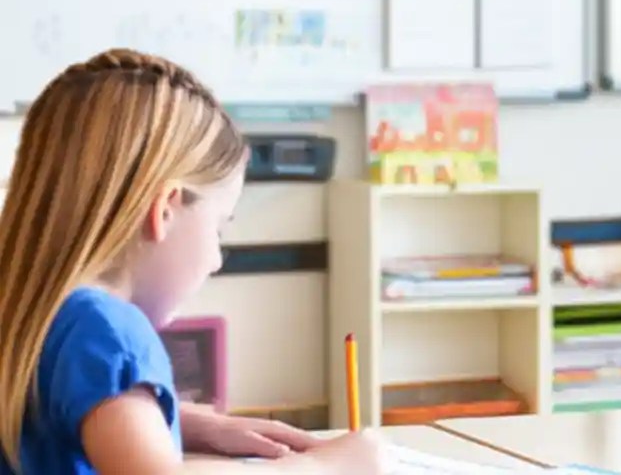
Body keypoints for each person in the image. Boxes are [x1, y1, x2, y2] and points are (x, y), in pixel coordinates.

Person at [0, 49, 392, 473]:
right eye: (219, 228)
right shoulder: (110, 331)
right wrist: (327, 468)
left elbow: (45, 413)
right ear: (165, 209)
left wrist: (185, 423)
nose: (216, 260)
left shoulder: (27, 310)